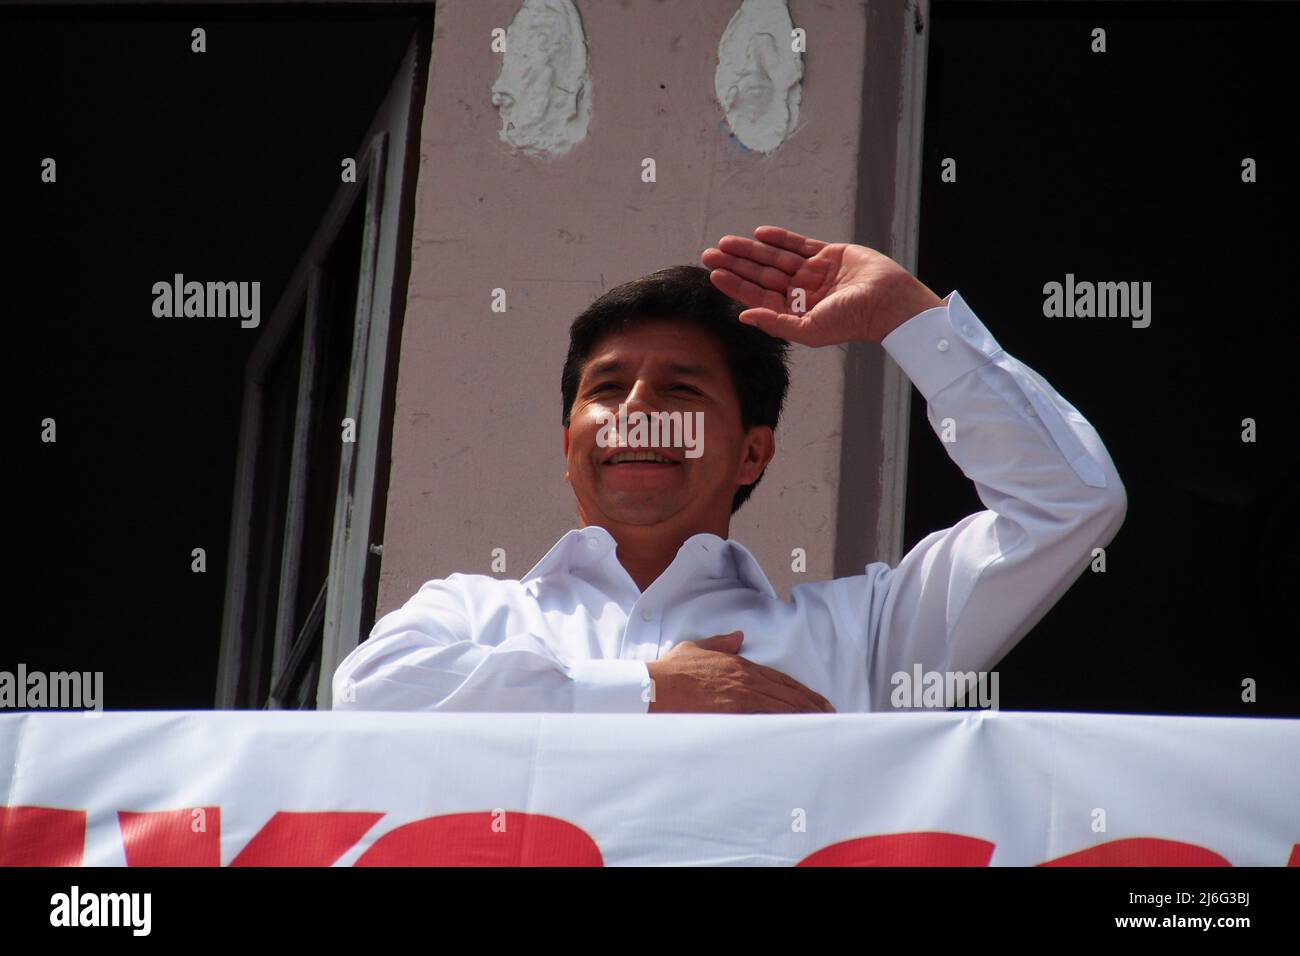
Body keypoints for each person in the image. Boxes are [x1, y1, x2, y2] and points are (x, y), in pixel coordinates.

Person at [332, 225, 1126, 714]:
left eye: (680, 389)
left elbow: (1067, 506)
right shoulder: (470, 616)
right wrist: (651, 692)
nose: (637, 410)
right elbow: (366, 697)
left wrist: (910, 319)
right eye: (606, 388)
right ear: (569, 439)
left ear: (754, 450)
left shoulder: (860, 640)